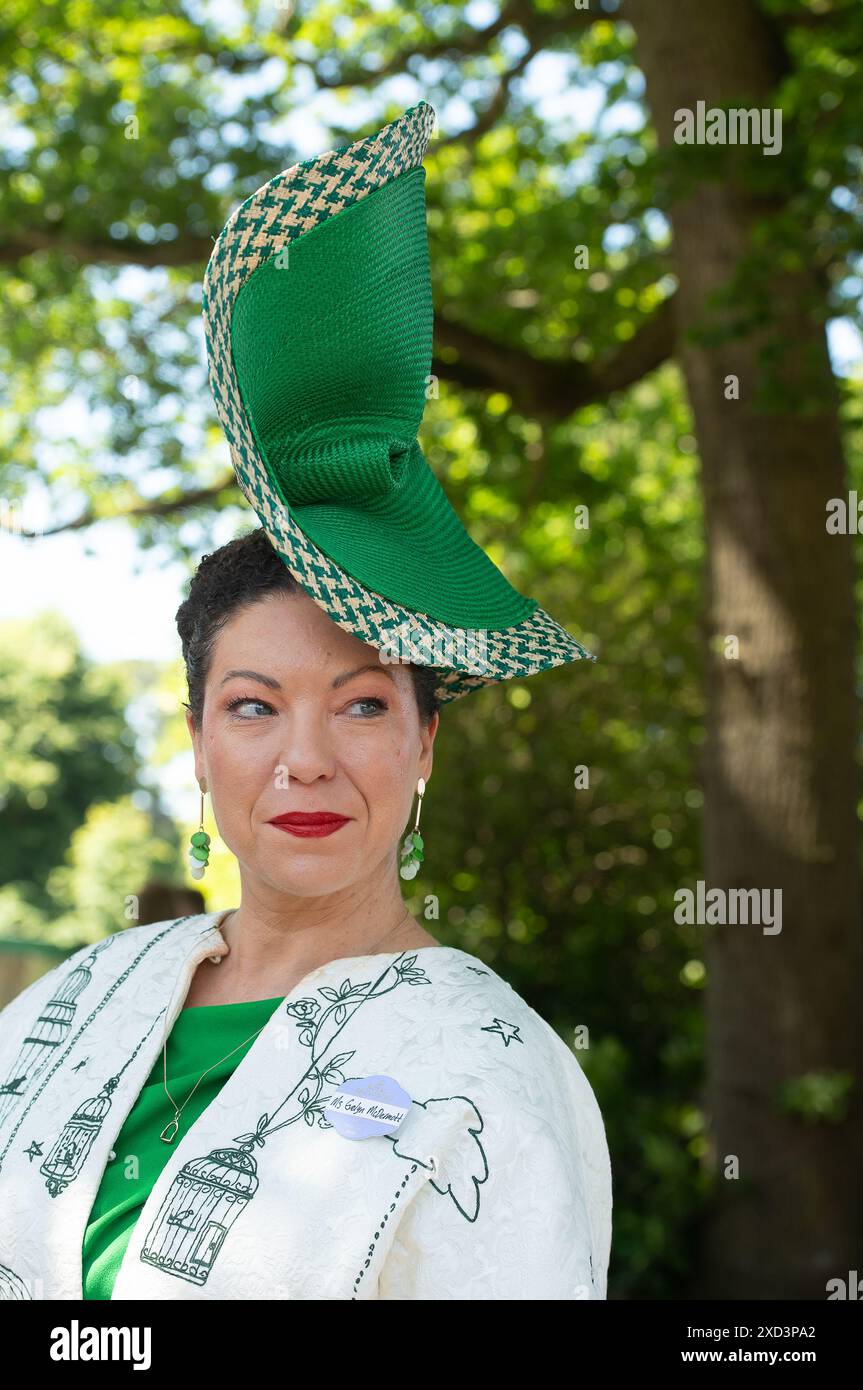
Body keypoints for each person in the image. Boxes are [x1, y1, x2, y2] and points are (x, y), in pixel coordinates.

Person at [0, 100, 611, 1301]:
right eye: (252, 705)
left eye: (364, 705)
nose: (306, 759)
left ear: (427, 739)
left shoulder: (486, 1073)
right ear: (194, 739)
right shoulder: (77, 997)